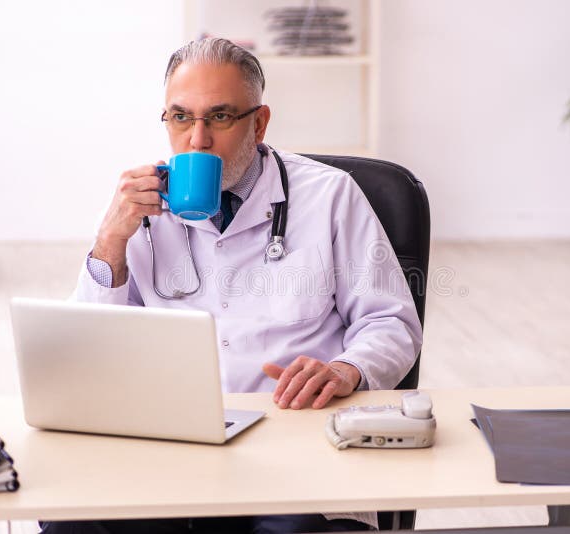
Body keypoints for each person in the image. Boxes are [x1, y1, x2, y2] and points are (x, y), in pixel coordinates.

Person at [48, 37, 422, 534]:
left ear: (260, 122)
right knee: (72, 522)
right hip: (168, 443)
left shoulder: (329, 195)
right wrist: (109, 243)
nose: (197, 140)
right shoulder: (135, 206)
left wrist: (347, 369)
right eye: (181, 117)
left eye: (219, 117)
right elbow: (88, 351)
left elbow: (391, 321)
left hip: (294, 440)